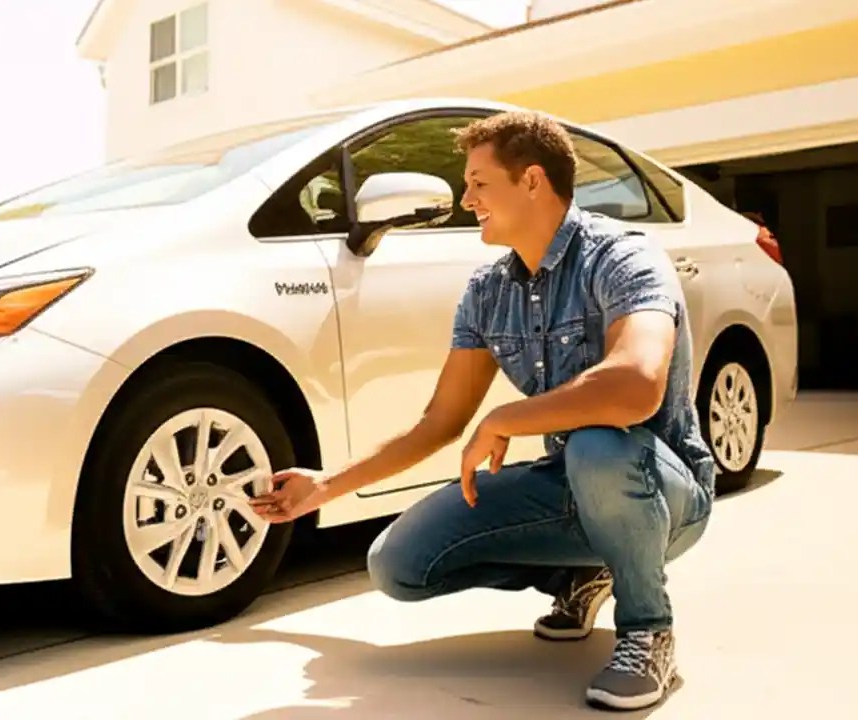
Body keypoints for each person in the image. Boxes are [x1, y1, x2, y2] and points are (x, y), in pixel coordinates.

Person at [250, 110, 715, 711]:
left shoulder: (624, 257)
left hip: (662, 489)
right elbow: (439, 422)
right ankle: (580, 573)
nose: (465, 199)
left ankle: (648, 629)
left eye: (478, 182)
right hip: (568, 484)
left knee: (597, 444)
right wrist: (326, 487)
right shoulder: (487, 292)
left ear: (532, 182)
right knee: (399, 564)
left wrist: (502, 421)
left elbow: (636, 385)